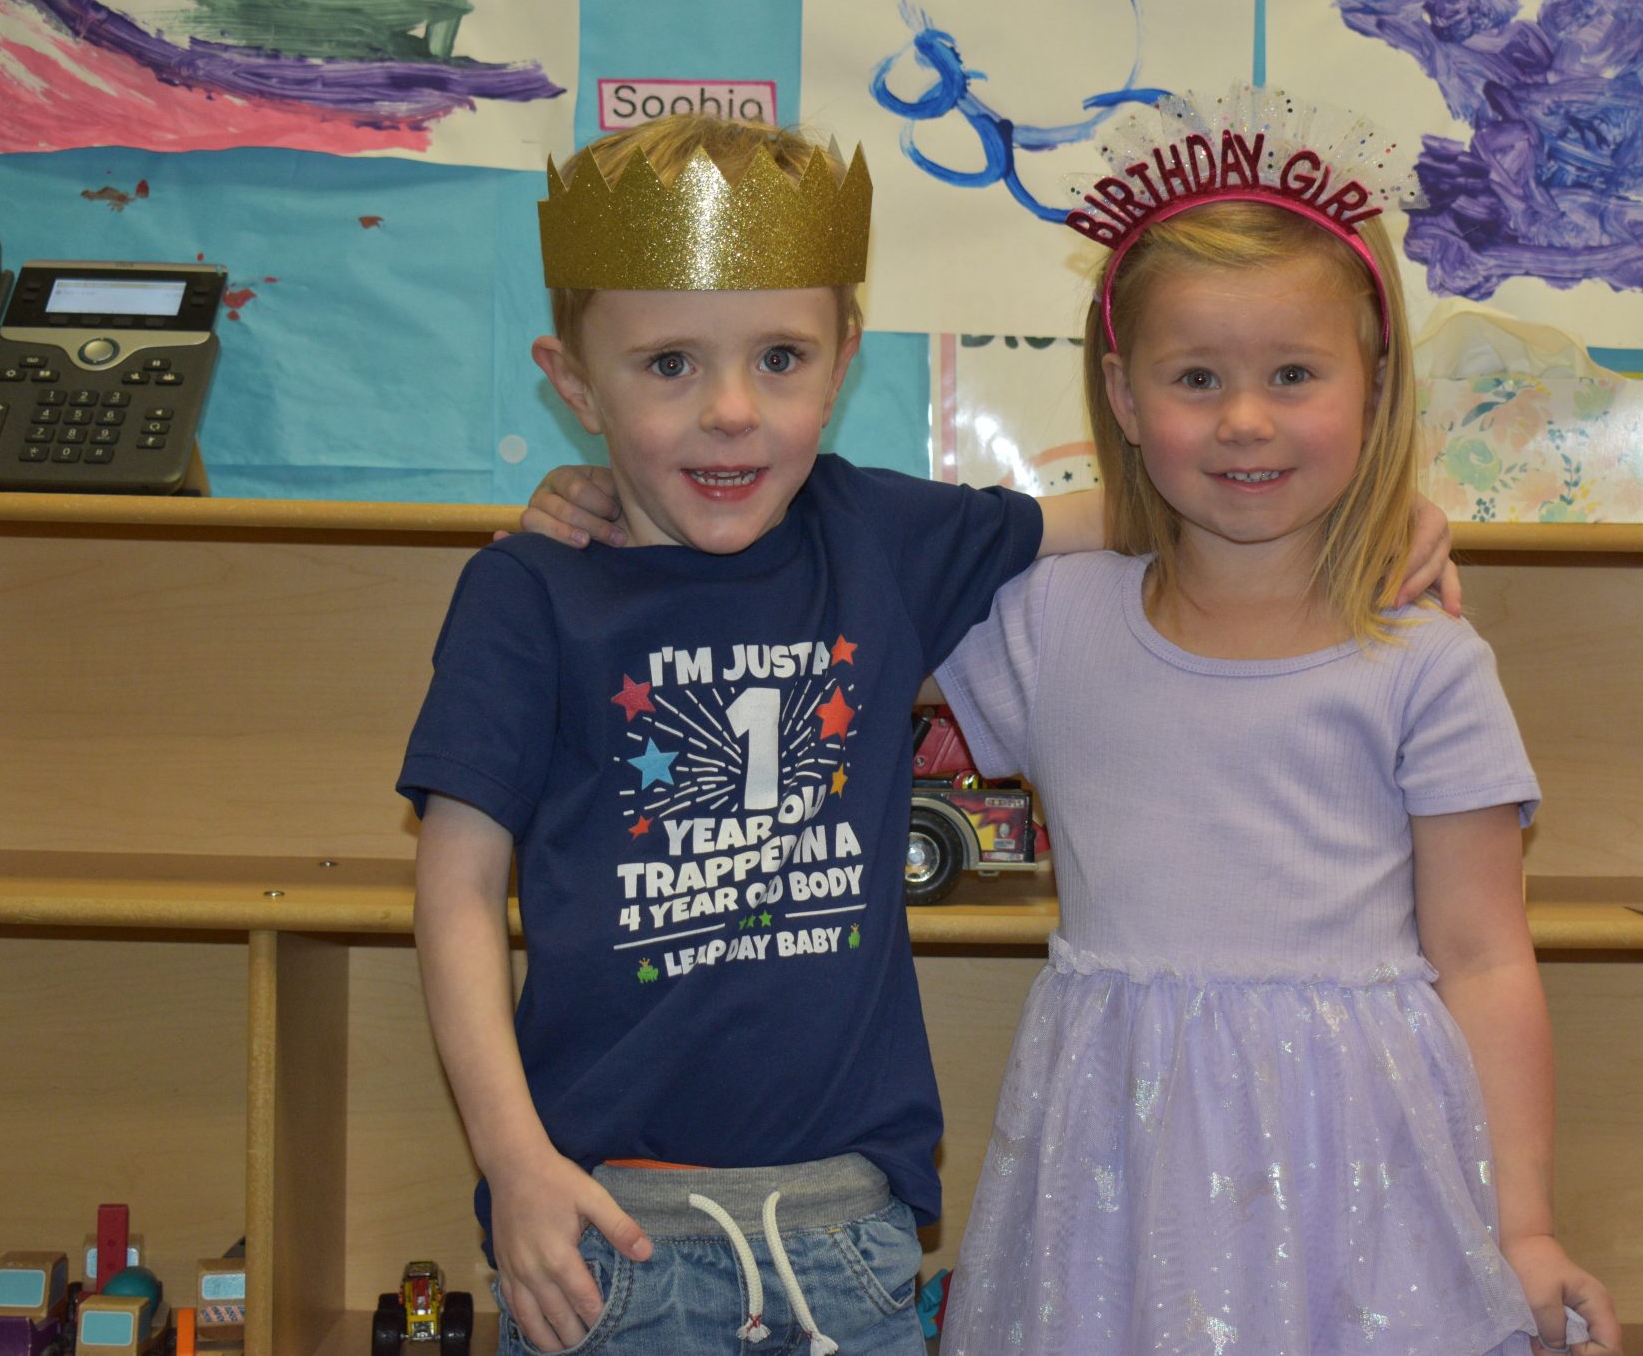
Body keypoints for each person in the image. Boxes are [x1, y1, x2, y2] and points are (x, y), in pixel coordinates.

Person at [399, 111, 1118, 1356]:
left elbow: (1137, 506)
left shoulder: (883, 541)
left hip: (845, 1240)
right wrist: (512, 1164)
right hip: (597, 1236)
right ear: (572, 382)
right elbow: (454, 890)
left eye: (779, 357)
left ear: (842, 360)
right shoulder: (528, 592)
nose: (730, 411)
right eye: (667, 364)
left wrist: (1374, 521)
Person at [926, 90, 1624, 1355]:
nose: (1244, 420)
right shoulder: (1044, 622)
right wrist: (608, 503)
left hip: (1364, 1163)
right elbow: (821, 588)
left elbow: (1481, 957)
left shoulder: (1425, 663)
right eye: (1195, 379)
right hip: (1114, 1172)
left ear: (1373, 390)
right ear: (1122, 398)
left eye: (1293, 377)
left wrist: (1519, 1223)